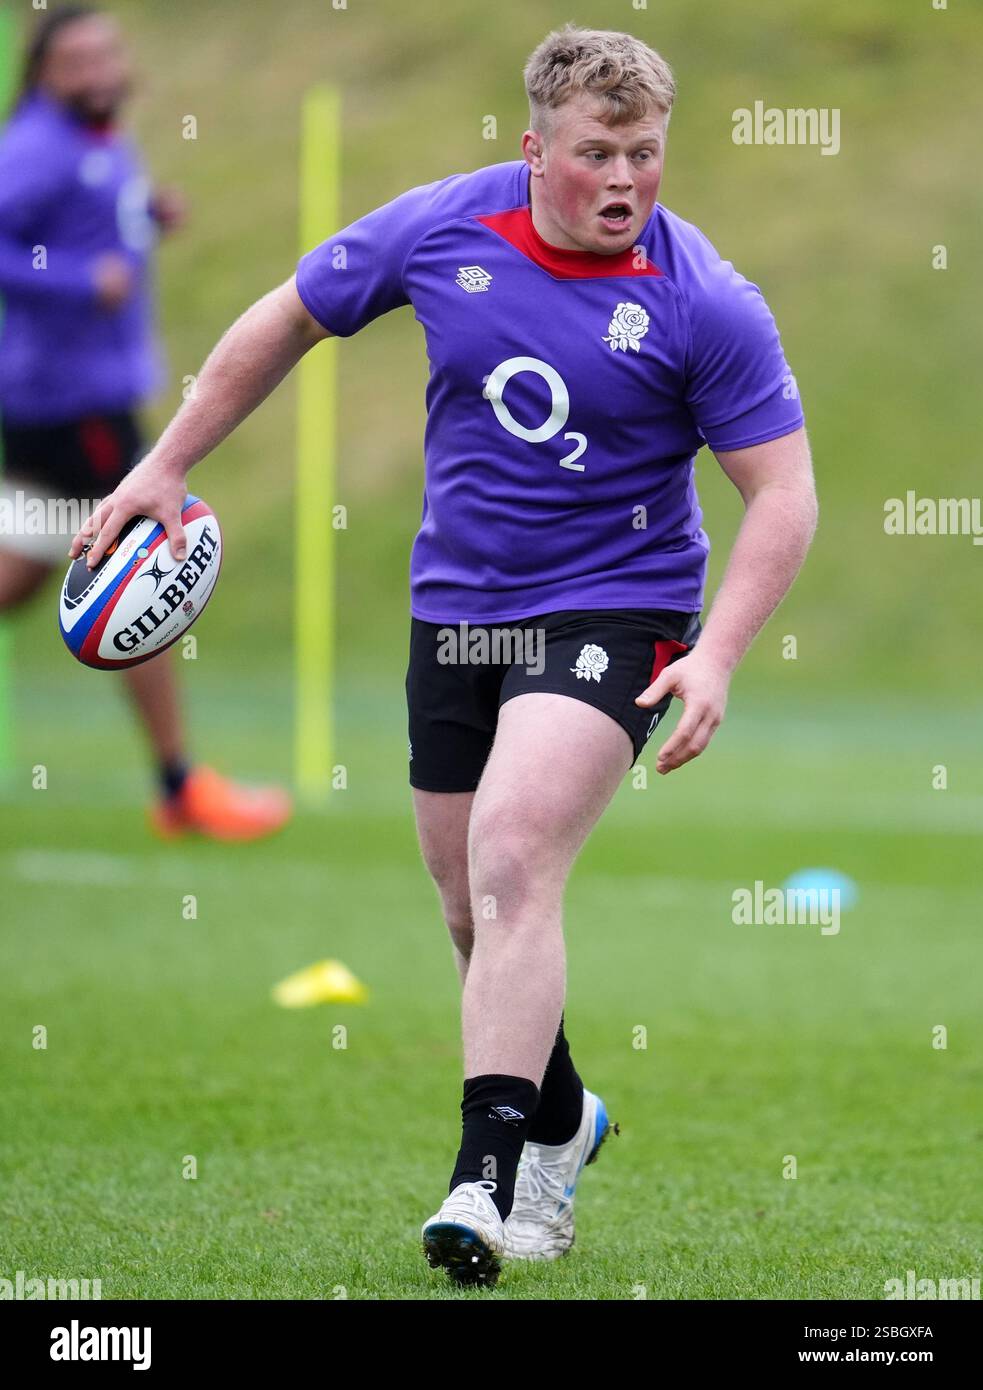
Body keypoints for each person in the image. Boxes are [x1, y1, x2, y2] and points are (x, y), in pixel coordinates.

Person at [71, 24, 818, 1284]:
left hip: (615, 611)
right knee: (471, 908)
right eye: (596, 153)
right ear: (535, 151)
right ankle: (564, 1112)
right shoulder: (441, 229)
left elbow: (783, 493)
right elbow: (290, 314)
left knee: (515, 854)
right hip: (456, 615)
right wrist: (167, 461)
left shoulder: (705, 301)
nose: (624, 178)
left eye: (644, 152)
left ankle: (487, 1179)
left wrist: (721, 654)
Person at [0, 5, 291, 841]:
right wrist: (75, 283)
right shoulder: (37, 147)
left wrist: (143, 221)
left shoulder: (99, 140)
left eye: (105, 54)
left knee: (22, 571)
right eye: (76, 59)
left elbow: (80, 229)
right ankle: (179, 788)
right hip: (67, 399)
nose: (96, 69)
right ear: (44, 72)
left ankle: (177, 786)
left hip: (83, 396)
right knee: (147, 558)